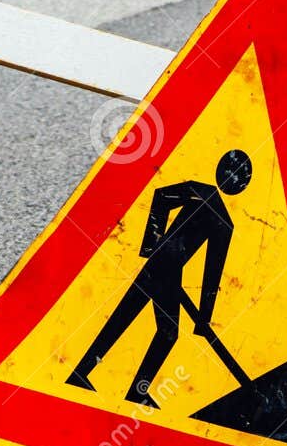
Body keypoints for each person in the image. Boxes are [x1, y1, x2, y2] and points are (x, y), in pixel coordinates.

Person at [67, 149, 252, 407]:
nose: (234, 180)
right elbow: (162, 196)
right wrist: (150, 246)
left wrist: (204, 317)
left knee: (130, 320)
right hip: (163, 268)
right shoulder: (204, 196)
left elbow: (213, 272)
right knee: (154, 328)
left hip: (167, 271)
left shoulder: (219, 215)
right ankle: (125, 387)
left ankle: (90, 376)